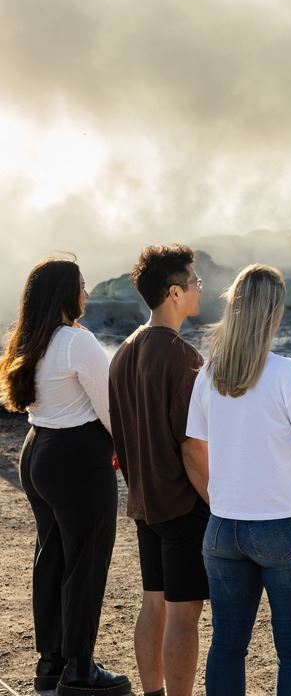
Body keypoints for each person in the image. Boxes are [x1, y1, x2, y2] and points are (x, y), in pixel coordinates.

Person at [186, 263, 291, 695]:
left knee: (227, 646)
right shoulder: (290, 374)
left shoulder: (210, 374)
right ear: (276, 313)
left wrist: (219, 500)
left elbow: (193, 448)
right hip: (285, 523)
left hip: (223, 526)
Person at [0, 258, 130, 695]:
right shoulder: (77, 341)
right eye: (82, 285)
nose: (87, 294)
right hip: (76, 458)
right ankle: (81, 669)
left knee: (51, 556)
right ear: (64, 294)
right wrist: (128, 452)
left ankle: (51, 663)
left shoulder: (28, 338)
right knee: (86, 562)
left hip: (36, 450)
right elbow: (112, 407)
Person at [108, 245, 210, 696]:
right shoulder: (181, 355)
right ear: (174, 293)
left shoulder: (124, 351)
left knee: (154, 603)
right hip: (183, 502)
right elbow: (192, 445)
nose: (199, 288)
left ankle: (152, 693)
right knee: (185, 613)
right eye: (194, 283)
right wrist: (217, 500)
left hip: (145, 500)